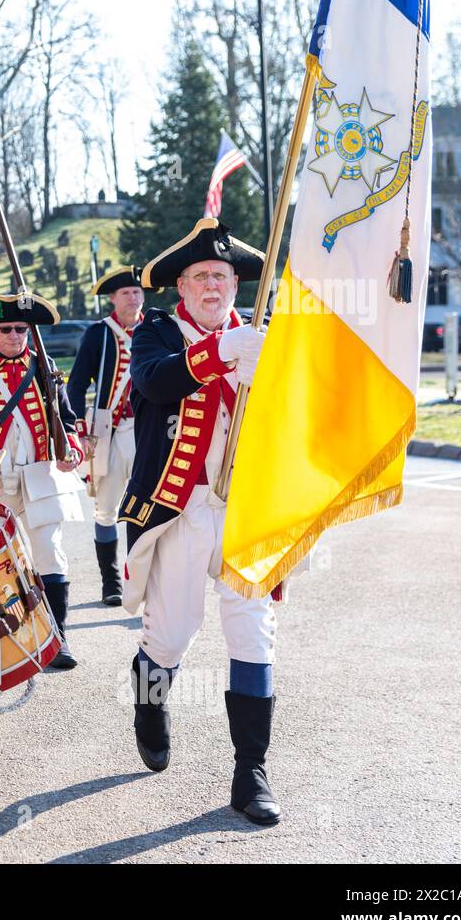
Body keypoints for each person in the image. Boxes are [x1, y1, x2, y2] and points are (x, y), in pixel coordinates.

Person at [120, 218, 278, 824]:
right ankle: (150, 702)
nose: (213, 285)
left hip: (248, 510)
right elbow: (155, 383)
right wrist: (222, 353)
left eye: (222, 275)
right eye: (200, 276)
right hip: (181, 510)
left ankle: (251, 771)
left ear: (237, 284)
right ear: (181, 287)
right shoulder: (157, 332)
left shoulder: (264, 334)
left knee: (253, 634)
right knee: (171, 636)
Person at [0, 293, 85, 670]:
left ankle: (56, 638)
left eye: (21, 329)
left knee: (49, 553)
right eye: (6, 329)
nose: (14, 336)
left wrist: (71, 445)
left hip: (40, 474)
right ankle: (2, 639)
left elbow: (66, 417)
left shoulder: (44, 366)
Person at [68, 265, 146, 606]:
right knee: (106, 508)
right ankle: (111, 583)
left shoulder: (155, 328)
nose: (133, 297)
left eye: (137, 291)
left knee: (148, 506)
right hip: (107, 429)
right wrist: (80, 430)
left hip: (145, 429)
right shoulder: (99, 333)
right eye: (125, 293)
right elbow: (76, 384)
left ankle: (141, 580)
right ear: (113, 298)